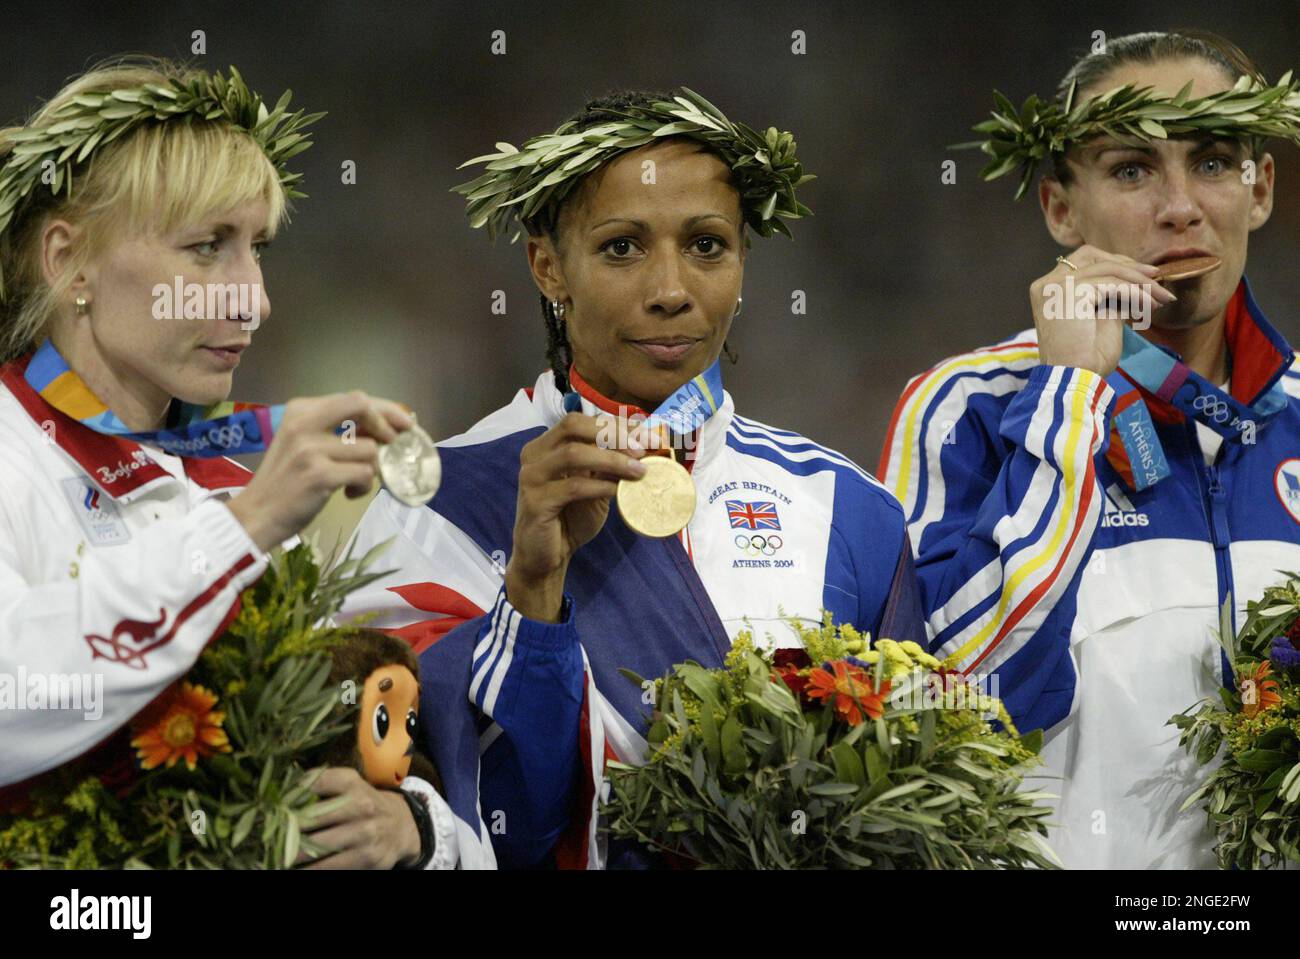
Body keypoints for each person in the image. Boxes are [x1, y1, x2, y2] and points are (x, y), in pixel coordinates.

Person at [340, 88, 928, 868]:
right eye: (622, 247)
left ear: (745, 262)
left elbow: (917, 809)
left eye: (707, 245)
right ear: (548, 265)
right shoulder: (434, 503)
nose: (671, 289)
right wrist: (531, 592)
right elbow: (424, 812)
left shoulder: (849, 511)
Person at [0, 57, 451, 869]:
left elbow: (399, 724)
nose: (253, 298)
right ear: (69, 261)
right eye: (208, 247)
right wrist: (244, 528)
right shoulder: (13, 455)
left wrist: (413, 825)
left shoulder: (235, 480)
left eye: (257, 247)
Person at [878, 31, 1300, 868]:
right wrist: (1070, 398)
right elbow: (943, 710)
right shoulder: (966, 409)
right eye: (1132, 170)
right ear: (1061, 210)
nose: (1180, 205)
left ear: (1260, 189)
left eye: (1214, 161)